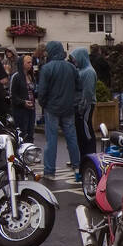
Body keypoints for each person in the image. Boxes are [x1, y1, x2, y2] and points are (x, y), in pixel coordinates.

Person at [36, 41, 81, 180]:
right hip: (68, 107)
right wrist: (74, 103)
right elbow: (79, 87)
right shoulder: (71, 67)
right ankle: (77, 167)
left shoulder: (47, 68)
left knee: (51, 140)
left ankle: (50, 171)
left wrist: (44, 104)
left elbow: (42, 91)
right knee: (72, 138)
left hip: (52, 108)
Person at [69, 47, 98, 157]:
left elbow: (88, 92)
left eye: (75, 59)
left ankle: (90, 154)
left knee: (86, 130)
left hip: (86, 106)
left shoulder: (89, 72)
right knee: (81, 131)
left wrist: (82, 107)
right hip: (80, 105)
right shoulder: (81, 70)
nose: (74, 61)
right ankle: (84, 155)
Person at [9, 54, 37, 144]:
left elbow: (33, 91)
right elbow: (12, 95)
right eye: (28, 62)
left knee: (30, 132)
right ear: (22, 64)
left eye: (31, 62)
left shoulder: (31, 76)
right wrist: (23, 102)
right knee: (22, 133)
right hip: (20, 111)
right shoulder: (16, 77)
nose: (30, 64)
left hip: (31, 109)